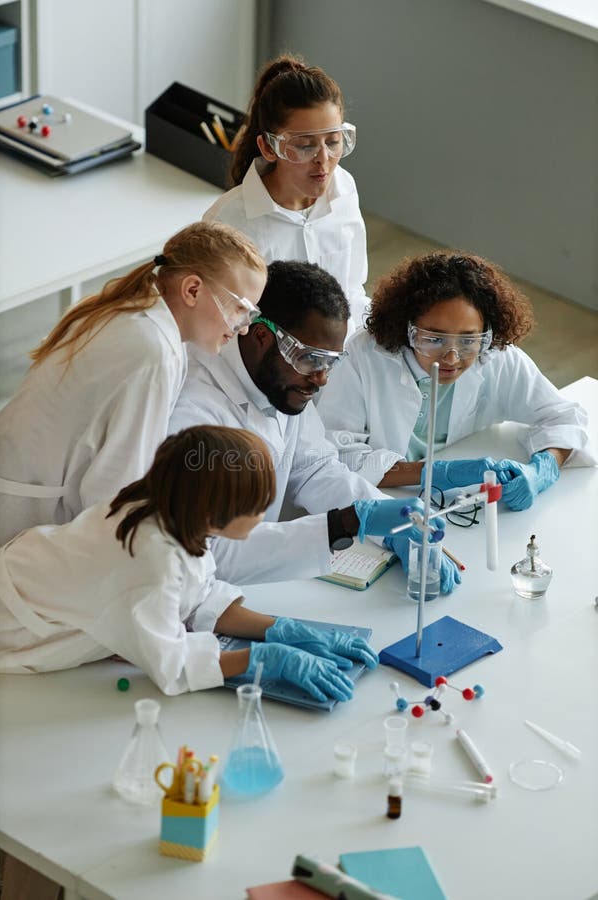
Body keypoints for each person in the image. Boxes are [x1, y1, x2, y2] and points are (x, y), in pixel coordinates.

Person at [0, 426, 380, 700]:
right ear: (215, 509)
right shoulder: (149, 562)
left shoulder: (170, 511)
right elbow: (172, 667)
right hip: (16, 624)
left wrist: (283, 629)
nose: (265, 514)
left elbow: (196, 593)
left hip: (32, 573)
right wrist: (261, 659)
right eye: (257, 505)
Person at [169, 260, 459, 594]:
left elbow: (314, 468)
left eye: (330, 363)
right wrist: (345, 524)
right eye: (310, 358)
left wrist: (390, 524)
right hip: (198, 600)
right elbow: (206, 551)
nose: (320, 379)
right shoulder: (192, 413)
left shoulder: (280, 381)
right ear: (261, 336)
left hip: (258, 580)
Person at [0, 222, 267, 547]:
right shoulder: (151, 351)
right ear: (192, 290)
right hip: (22, 527)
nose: (242, 328)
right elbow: (116, 495)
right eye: (240, 308)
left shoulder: (142, 318)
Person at [317, 251, 595, 511]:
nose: (451, 357)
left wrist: (543, 468)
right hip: (379, 501)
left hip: (459, 506)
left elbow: (564, 417)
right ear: (406, 327)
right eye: (434, 338)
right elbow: (336, 455)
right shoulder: (362, 357)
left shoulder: (495, 356)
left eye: (467, 340)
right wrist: (434, 473)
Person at [203, 53, 369, 332]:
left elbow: (353, 290)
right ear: (269, 148)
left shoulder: (345, 189)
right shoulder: (229, 223)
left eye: (333, 142)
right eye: (305, 146)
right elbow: (218, 328)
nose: (323, 159)